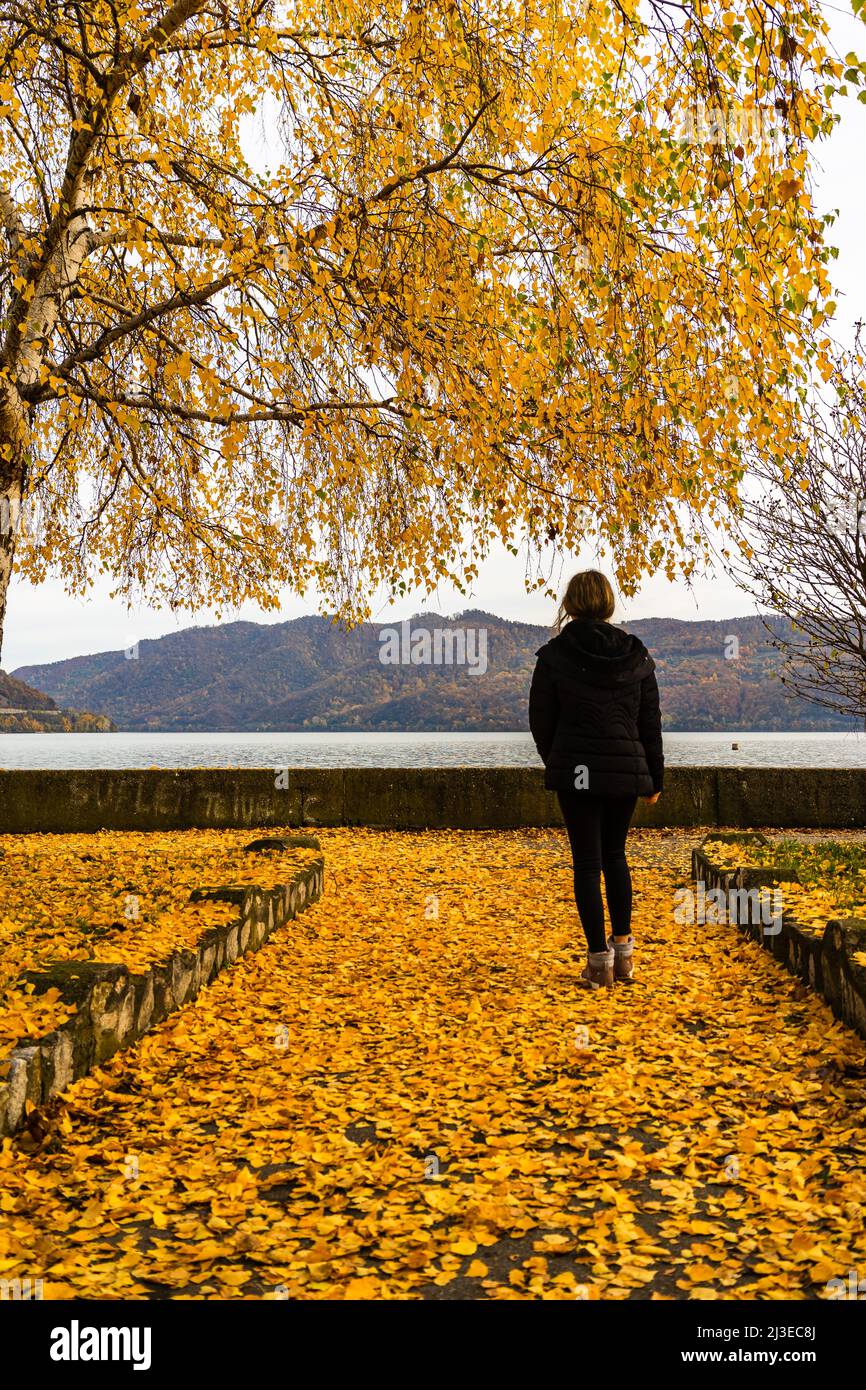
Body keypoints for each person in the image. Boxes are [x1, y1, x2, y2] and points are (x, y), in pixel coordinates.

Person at [528, 570, 663, 989]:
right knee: (615, 857)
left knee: (587, 863)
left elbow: (540, 721)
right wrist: (653, 778)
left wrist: (560, 761)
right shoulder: (635, 655)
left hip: (576, 773)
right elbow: (649, 722)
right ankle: (624, 955)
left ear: (570, 604)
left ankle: (598, 962)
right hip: (625, 772)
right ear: (607, 603)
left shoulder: (554, 656)